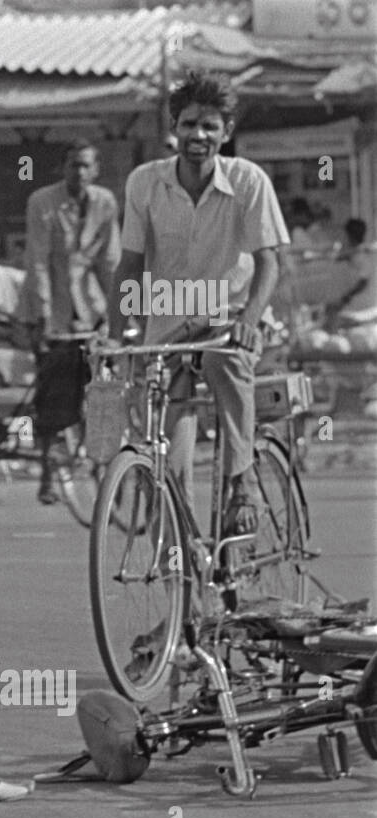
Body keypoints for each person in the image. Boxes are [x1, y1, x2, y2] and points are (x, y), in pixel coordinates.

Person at [107, 69, 289, 534]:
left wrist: (250, 320)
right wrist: (117, 338)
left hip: (229, 315)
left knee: (225, 363)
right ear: (174, 128)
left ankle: (242, 479)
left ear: (226, 133)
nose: (198, 135)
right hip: (167, 322)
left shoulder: (248, 181)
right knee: (169, 460)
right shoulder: (144, 183)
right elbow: (129, 266)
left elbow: (269, 263)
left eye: (210, 126)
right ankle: (183, 570)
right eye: (189, 124)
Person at [23, 139, 121, 504]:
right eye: (72, 165)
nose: (78, 172)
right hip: (50, 305)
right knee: (53, 388)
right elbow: (37, 260)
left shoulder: (105, 203)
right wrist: (44, 314)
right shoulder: (42, 203)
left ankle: (108, 462)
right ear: (63, 169)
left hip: (90, 304)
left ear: (95, 170)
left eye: (85, 165)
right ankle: (48, 470)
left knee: (106, 383)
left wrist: (118, 311)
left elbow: (110, 260)